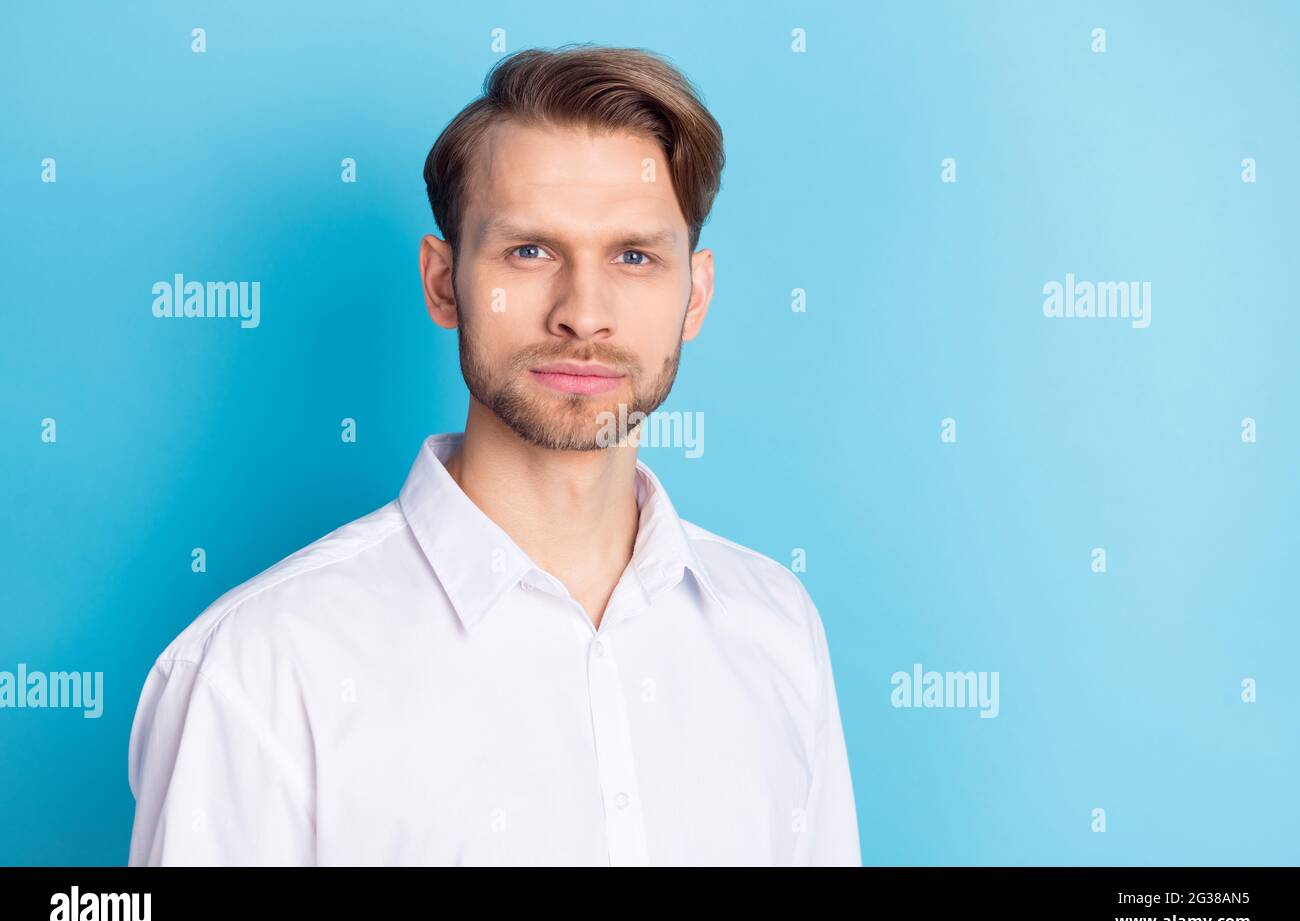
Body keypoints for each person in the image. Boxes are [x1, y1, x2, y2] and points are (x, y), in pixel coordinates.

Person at [127, 43, 860, 866]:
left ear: (695, 295)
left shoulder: (777, 627)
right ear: (444, 284)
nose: (585, 314)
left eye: (634, 257)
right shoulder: (259, 667)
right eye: (530, 252)